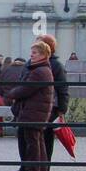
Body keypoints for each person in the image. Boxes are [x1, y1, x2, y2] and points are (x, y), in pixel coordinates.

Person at [4, 41, 55, 171]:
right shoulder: (42, 69)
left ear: (43, 55)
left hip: (34, 111)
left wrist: (11, 93)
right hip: (36, 110)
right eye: (31, 52)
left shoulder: (39, 71)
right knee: (38, 141)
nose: (31, 55)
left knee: (32, 141)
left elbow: (26, 89)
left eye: (35, 53)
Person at [38, 33, 70, 164]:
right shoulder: (38, 62)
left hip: (51, 106)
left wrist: (62, 108)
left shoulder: (56, 65)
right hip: (38, 104)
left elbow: (62, 88)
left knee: (46, 138)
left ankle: (45, 166)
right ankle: (29, 165)